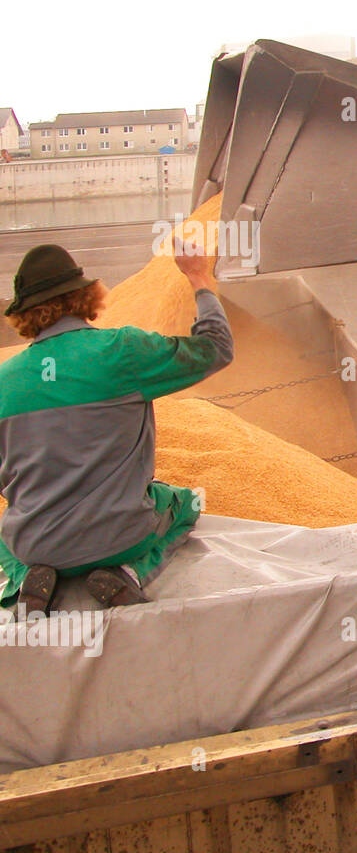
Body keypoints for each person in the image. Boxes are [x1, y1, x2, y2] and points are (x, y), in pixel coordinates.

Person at [0, 244, 233, 611]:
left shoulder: (4, 380)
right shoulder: (123, 351)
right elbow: (216, 348)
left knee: (5, 532)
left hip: (37, 545)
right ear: (87, 296)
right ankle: (129, 573)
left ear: (23, 316)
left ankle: (24, 579)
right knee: (186, 503)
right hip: (122, 536)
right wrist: (199, 277)